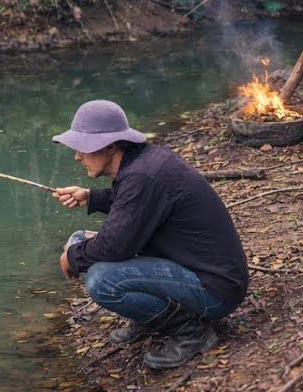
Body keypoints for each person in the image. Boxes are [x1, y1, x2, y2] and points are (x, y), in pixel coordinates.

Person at [50, 99, 248, 370]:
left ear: (110, 146)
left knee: (101, 279)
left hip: (215, 291)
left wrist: (71, 258)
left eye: (82, 148)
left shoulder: (142, 177)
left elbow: (115, 246)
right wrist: (92, 197)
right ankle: (151, 315)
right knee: (84, 238)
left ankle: (191, 331)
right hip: (206, 273)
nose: (77, 156)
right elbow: (133, 205)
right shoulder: (143, 163)